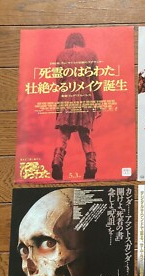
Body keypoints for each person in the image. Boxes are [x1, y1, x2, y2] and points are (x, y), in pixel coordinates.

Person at [52, 32, 103, 180]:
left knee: (63, 133)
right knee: (85, 135)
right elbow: (95, 81)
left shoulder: (60, 55)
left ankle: (57, 161)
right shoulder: (91, 54)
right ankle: (91, 165)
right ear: (81, 41)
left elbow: (58, 81)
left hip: (67, 98)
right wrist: (98, 103)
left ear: (69, 42)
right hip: (85, 98)